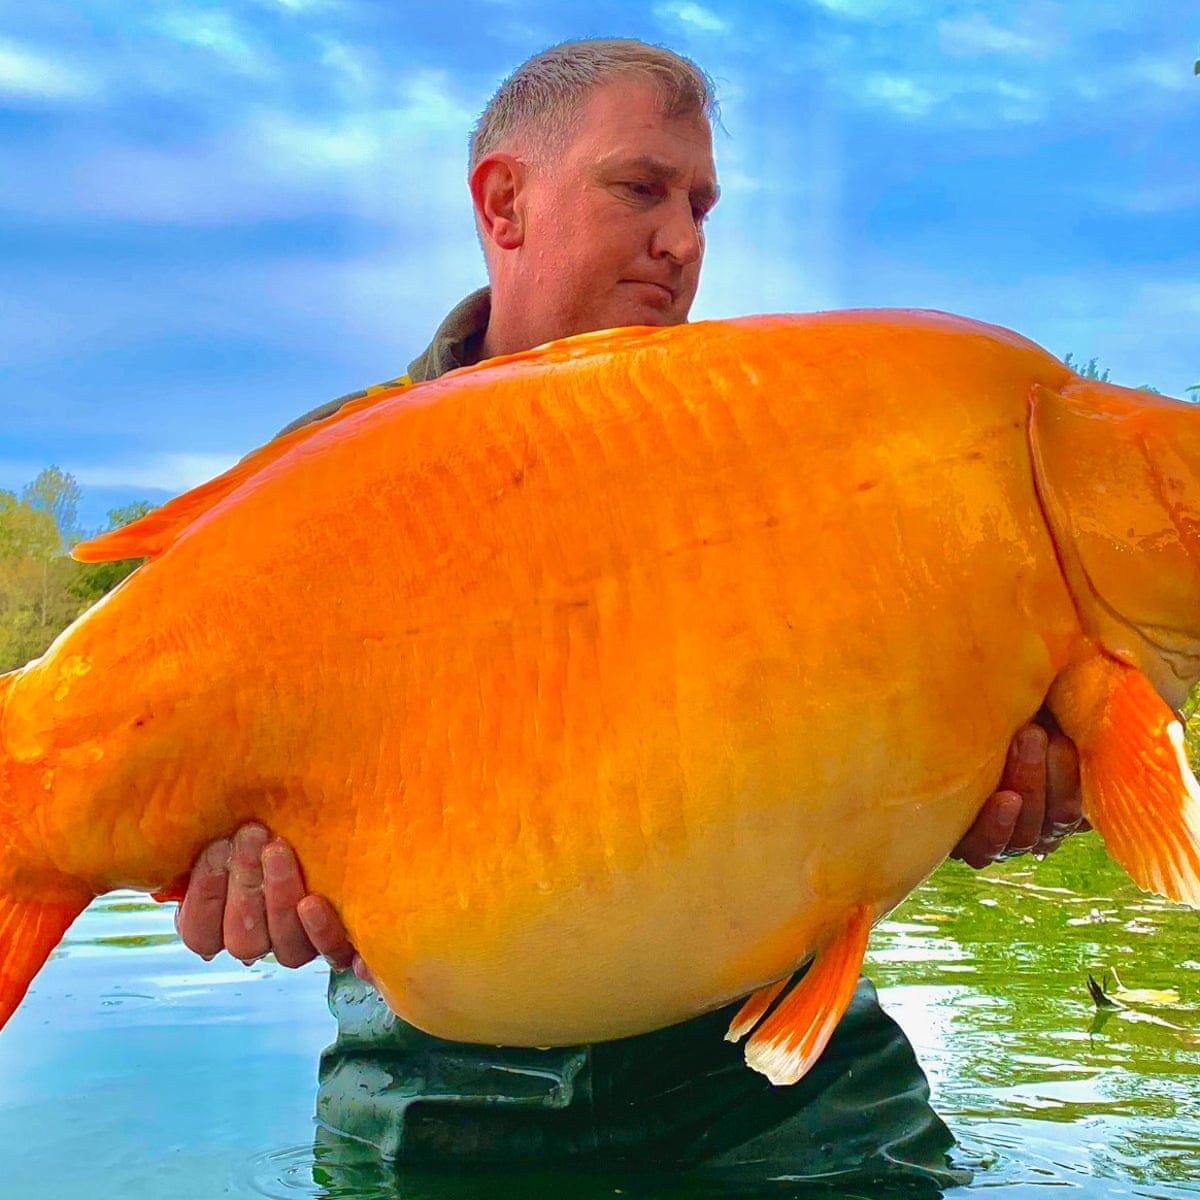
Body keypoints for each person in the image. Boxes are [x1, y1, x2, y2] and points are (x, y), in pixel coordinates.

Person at [175, 39, 1085, 1188]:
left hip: (784, 1087)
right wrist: (235, 889)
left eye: (701, 204)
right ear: (505, 202)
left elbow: (931, 743)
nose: (685, 240)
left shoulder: (792, 452)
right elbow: (218, 823)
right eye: (641, 188)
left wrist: (1028, 786)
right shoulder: (315, 488)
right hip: (431, 1095)